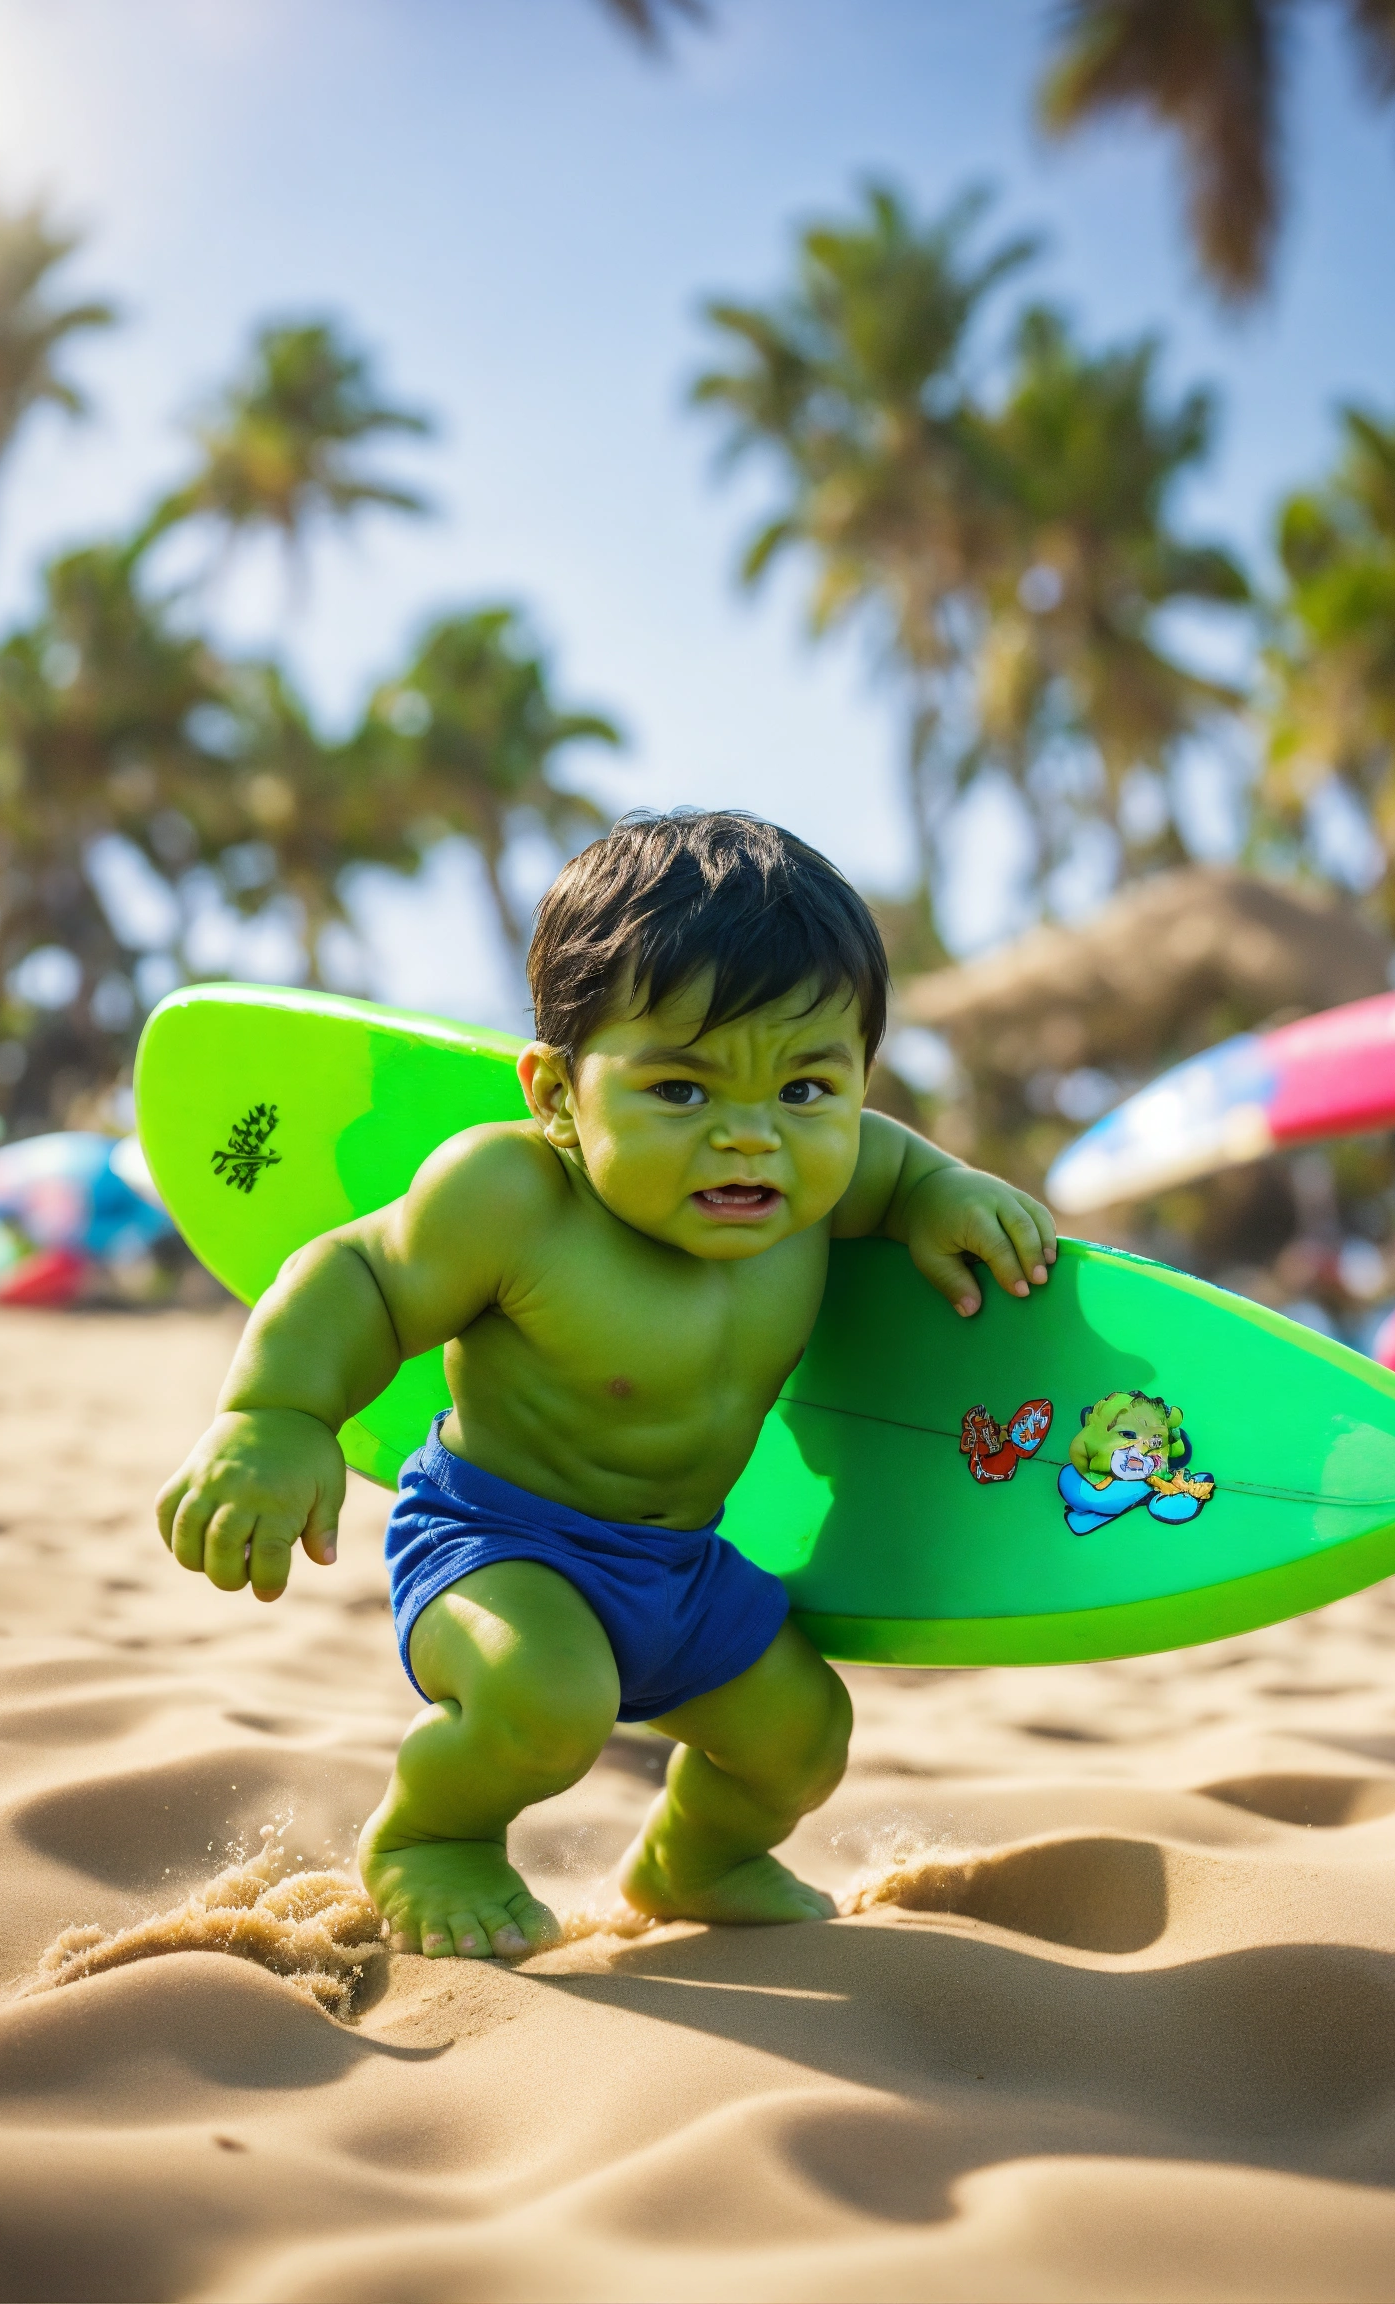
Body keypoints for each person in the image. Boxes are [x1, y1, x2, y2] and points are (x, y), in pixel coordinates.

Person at [156, 811, 1057, 1962]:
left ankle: (695, 1859)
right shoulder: (512, 1198)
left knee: (801, 1736)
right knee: (545, 1701)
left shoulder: (829, 1192)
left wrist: (944, 1194)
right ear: (555, 1096)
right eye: (680, 1091)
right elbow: (361, 1278)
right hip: (497, 1542)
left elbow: (897, 1168)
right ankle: (432, 1838)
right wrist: (274, 1417)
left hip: (677, 1566)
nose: (751, 1139)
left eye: (804, 1089)